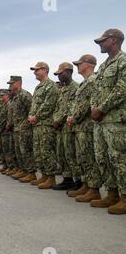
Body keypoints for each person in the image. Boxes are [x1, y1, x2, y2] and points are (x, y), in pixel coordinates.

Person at [90, 29, 126, 214]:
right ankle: (112, 194)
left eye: (103, 41)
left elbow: (122, 89)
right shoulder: (104, 66)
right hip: (101, 121)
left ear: (114, 40)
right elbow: (96, 91)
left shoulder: (123, 61)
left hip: (116, 121)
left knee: (119, 158)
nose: (100, 44)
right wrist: (94, 109)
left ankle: (124, 197)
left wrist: (101, 108)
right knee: (102, 158)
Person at [67, 54, 102, 202]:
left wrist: (74, 117)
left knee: (88, 158)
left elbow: (87, 105)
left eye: (79, 64)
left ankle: (94, 189)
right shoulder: (84, 82)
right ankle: (87, 185)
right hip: (80, 126)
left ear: (88, 64)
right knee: (82, 157)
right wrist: (72, 116)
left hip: (86, 126)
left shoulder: (92, 80)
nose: (77, 66)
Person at [28, 62, 59, 189]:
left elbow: (48, 104)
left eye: (37, 70)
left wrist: (37, 116)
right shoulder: (38, 87)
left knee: (47, 151)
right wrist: (30, 115)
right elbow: (34, 105)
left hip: (46, 124)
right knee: (39, 151)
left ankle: (51, 178)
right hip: (37, 124)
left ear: (45, 70)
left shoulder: (50, 85)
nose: (34, 72)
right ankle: (44, 175)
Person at [52, 63, 81, 191]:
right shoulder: (63, 89)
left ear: (69, 72)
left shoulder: (76, 87)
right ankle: (67, 179)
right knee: (61, 153)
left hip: (69, 127)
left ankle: (79, 181)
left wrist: (59, 120)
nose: (58, 76)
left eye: (61, 73)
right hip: (60, 128)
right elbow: (58, 107)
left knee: (71, 154)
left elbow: (71, 108)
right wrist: (55, 121)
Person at [7, 76, 36, 183]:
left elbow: (32, 110)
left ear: (19, 83)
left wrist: (27, 124)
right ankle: (23, 170)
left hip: (25, 129)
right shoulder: (16, 97)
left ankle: (31, 173)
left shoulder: (25, 95)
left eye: (12, 84)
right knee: (19, 151)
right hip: (17, 128)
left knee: (26, 151)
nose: (10, 86)